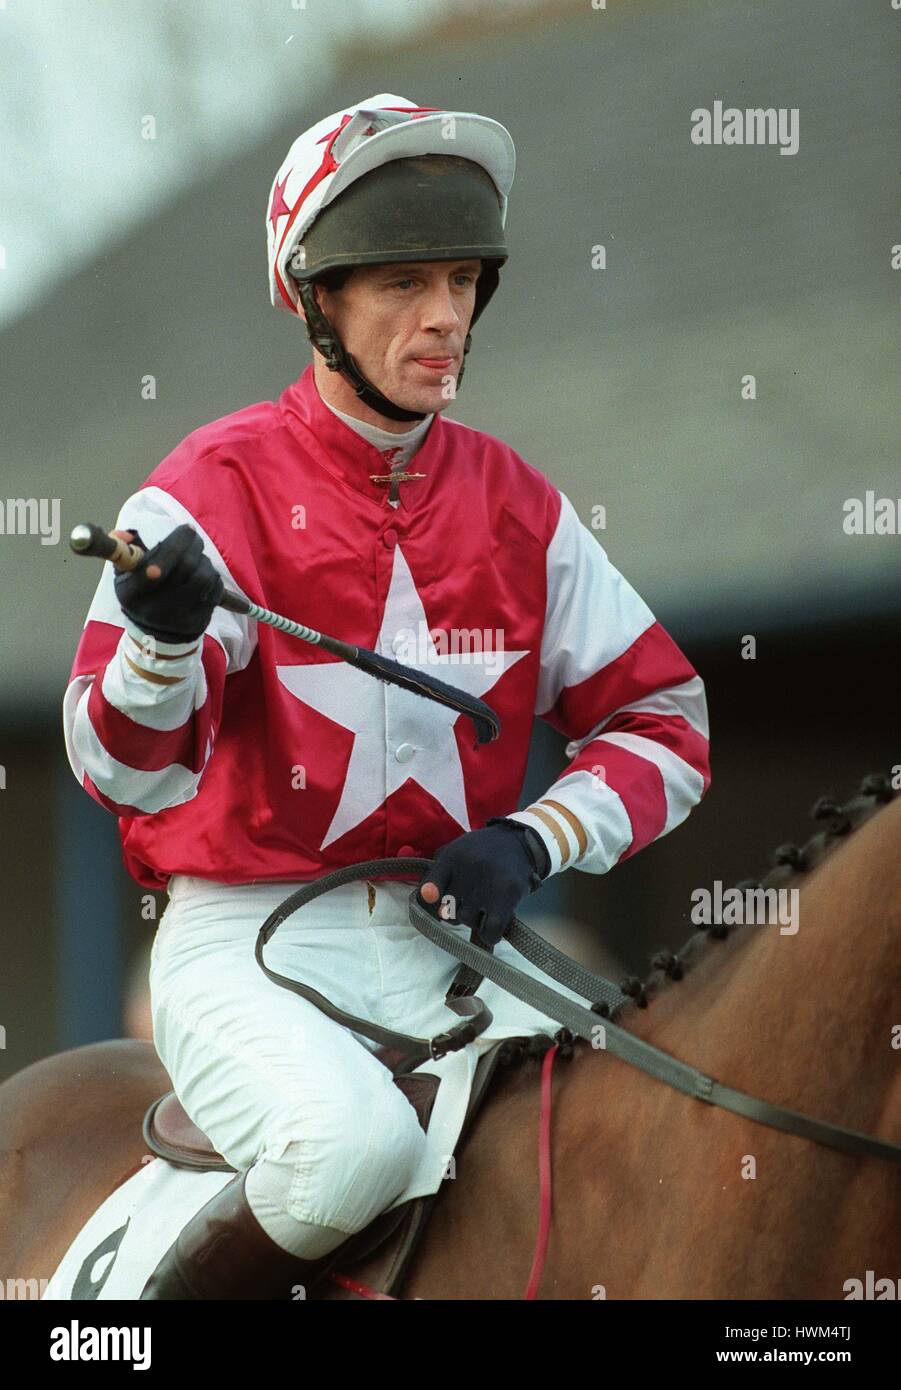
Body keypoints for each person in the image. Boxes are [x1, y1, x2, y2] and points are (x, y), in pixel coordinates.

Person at [63, 94, 711, 1299]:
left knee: (639, 1141)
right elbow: (120, 769)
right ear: (316, 299)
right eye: (403, 283)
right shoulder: (204, 489)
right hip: (240, 947)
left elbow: (668, 723)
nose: (445, 318)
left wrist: (533, 834)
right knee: (350, 1153)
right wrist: (156, 648)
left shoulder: (520, 504)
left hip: (452, 946)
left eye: (463, 280)